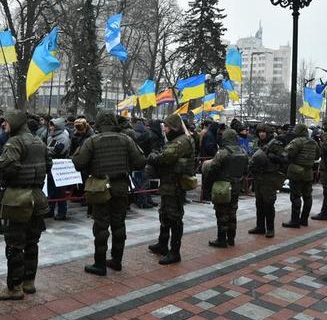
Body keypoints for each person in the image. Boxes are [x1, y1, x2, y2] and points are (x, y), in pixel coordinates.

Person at [72, 111, 145, 275]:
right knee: (119, 224)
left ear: (98, 124)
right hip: (121, 186)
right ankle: (117, 261)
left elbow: (78, 163)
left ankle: (100, 264)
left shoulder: (92, 141)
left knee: (101, 226)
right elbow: (140, 161)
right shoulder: (126, 140)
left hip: (100, 187)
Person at [0, 109, 51, 300]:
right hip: (38, 196)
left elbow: (8, 167)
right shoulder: (39, 141)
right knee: (32, 242)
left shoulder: (14, 142)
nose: (4, 124)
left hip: (17, 198)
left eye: (7, 121)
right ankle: (29, 282)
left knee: (15, 246)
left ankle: (14, 287)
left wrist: (4, 173)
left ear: (15, 123)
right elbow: (48, 164)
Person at [147, 113, 195, 265]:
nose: (165, 130)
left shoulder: (181, 142)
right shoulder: (177, 140)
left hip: (175, 184)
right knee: (165, 214)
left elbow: (165, 157)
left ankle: (175, 252)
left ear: (174, 127)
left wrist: (153, 156)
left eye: (167, 127)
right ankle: (162, 244)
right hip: (169, 182)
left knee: (174, 217)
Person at [203, 129, 248, 248]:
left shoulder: (223, 152)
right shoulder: (243, 151)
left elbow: (213, 168)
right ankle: (231, 238)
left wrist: (208, 184)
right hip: (237, 185)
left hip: (223, 185)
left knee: (222, 212)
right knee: (232, 211)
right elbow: (246, 170)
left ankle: (221, 239)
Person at [248, 125, 286, 238]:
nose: (261, 134)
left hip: (270, 178)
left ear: (268, 133)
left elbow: (285, 159)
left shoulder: (275, 144)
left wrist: (273, 157)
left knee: (269, 204)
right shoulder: (258, 143)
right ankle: (260, 226)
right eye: (260, 132)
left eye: (264, 132)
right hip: (259, 177)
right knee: (259, 203)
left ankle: (270, 228)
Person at [282, 124, 320, 228]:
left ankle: (295, 221)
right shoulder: (314, 142)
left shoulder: (297, 141)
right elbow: (317, 156)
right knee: (307, 197)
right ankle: (304, 220)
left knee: (295, 196)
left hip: (296, 172)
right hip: (308, 173)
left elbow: (287, 153)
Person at [46, 117, 71, 220]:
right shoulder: (50, 137)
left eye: (52, 125)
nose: (50, 127)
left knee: (60, 191)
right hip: (51, 165)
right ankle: (50, 210)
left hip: (60, 166)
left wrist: (46, 149)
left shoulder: (63, 137)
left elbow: (57, 150)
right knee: (51, 190)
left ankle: (62, 212)